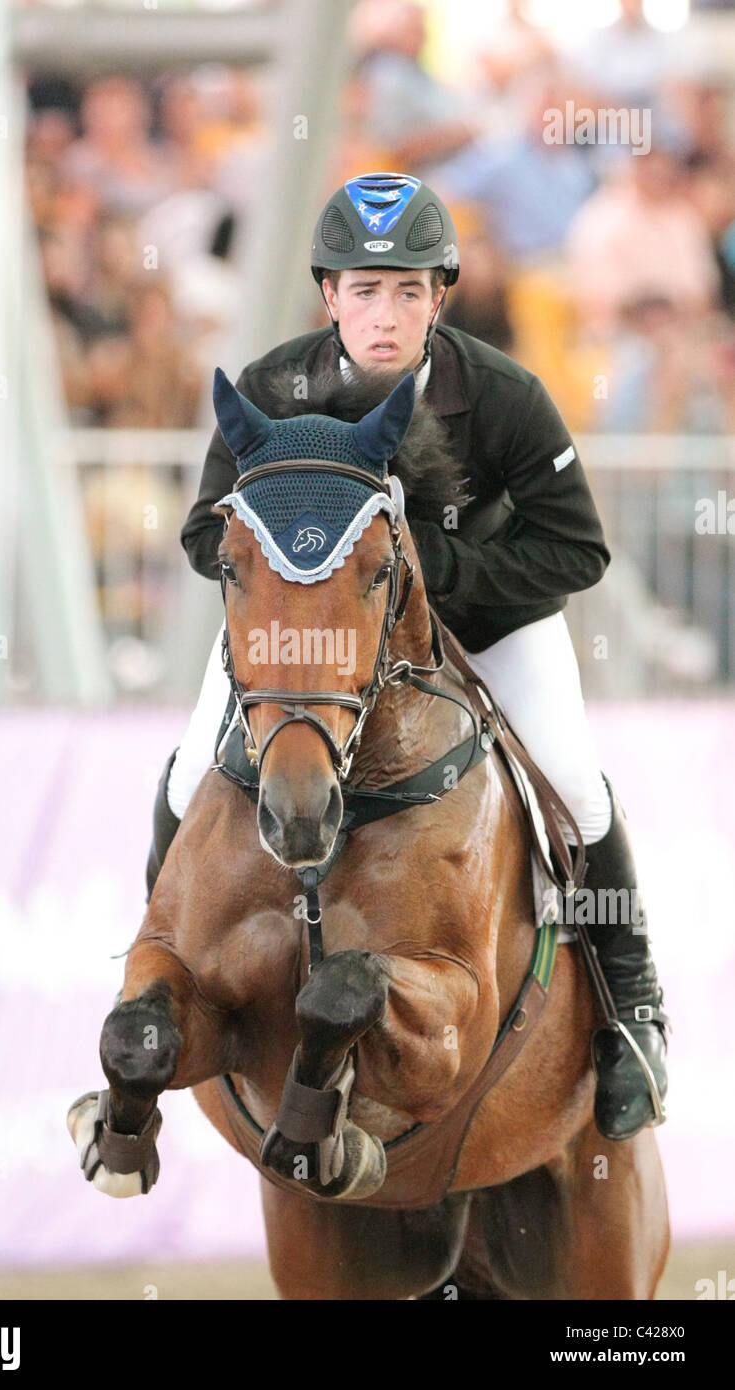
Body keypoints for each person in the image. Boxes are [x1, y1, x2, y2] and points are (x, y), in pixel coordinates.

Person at [145, 172, 669, 1143]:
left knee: (578, 788)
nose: (383, 314)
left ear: (439, 297)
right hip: (308, 639)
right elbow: (197, 534)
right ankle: (167, 983)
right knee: (184, 775)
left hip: (486, 626)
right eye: (362, 289)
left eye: (406, 291)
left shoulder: (502, 395)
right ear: (327, 297)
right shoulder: (271, 390)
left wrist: (432, 571)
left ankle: (631, 1015)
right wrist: (296, 581)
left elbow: (578, 550)